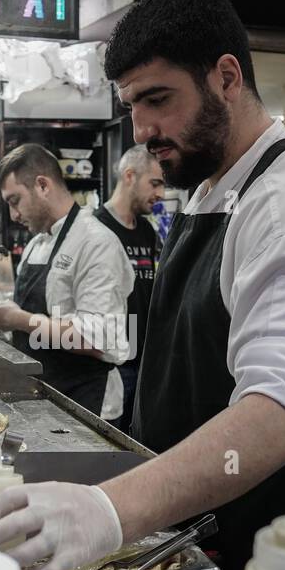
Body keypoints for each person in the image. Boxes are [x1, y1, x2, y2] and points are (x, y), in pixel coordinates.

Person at [0, 0, 285, 570]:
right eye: (133, 106)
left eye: (158, 99)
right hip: (206, 541)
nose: (143, 130)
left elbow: (284, 407)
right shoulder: (212, 187)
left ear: (226, 77)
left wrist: (112, 510)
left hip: (280, 567)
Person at [0, 143, 133, 419]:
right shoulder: (36, 244)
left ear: (42, 185)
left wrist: (18, 319)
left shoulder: (97, 243)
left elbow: (97, 337)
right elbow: (38, 316)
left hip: (85, 403)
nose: (13, 216)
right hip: (44, 397)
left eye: (14, 201)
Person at [92, 145, 165, 433]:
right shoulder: (97, 227)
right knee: (111, 438)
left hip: (146, 357)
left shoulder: (148, 230)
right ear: (130, 176)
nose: (160, 194)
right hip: (114, 360)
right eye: (155, 183)